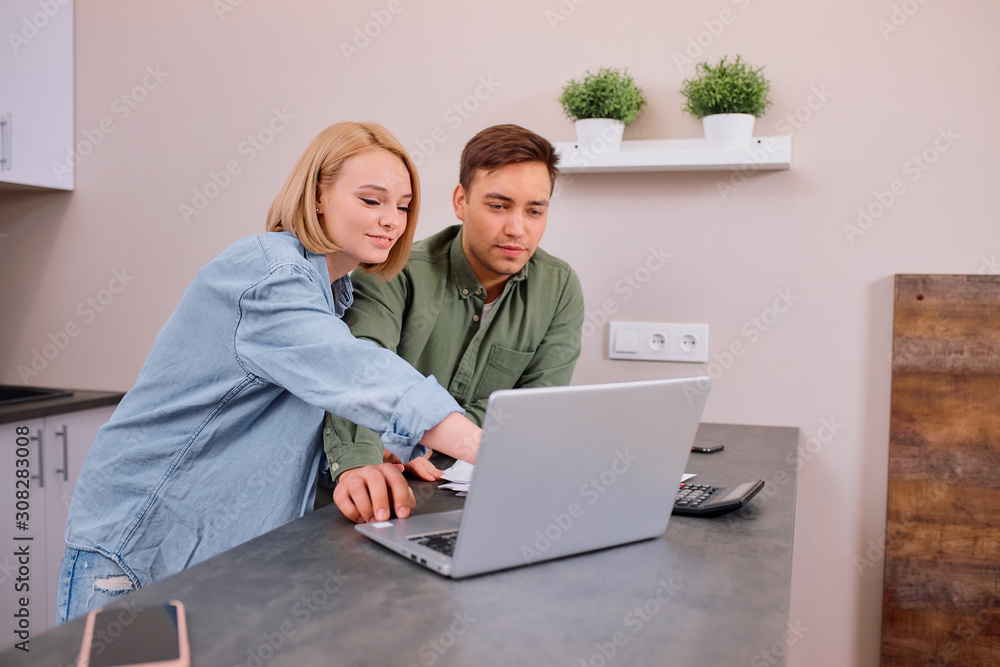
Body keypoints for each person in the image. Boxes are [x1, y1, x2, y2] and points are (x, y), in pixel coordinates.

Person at [56, 122, 481, 624]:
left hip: (209, 550)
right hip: (139, 546)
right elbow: (359, 372)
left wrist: (375, 454)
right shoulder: (268, 275)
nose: (392, 220)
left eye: (403, 205)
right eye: (372, 200)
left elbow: (273, 429)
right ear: (317, 196)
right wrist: (489, 450)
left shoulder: (331, 293)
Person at [325, 124, 584, 523]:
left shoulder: (559, 286)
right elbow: (358, 371)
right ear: (460, 201)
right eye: (498, 206)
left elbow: (532, 408)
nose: (517, 228)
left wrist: (424, 440)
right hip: (372, 492)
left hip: (466, 498)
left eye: (535, 211)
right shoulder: (391, 271)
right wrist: (362, 461)